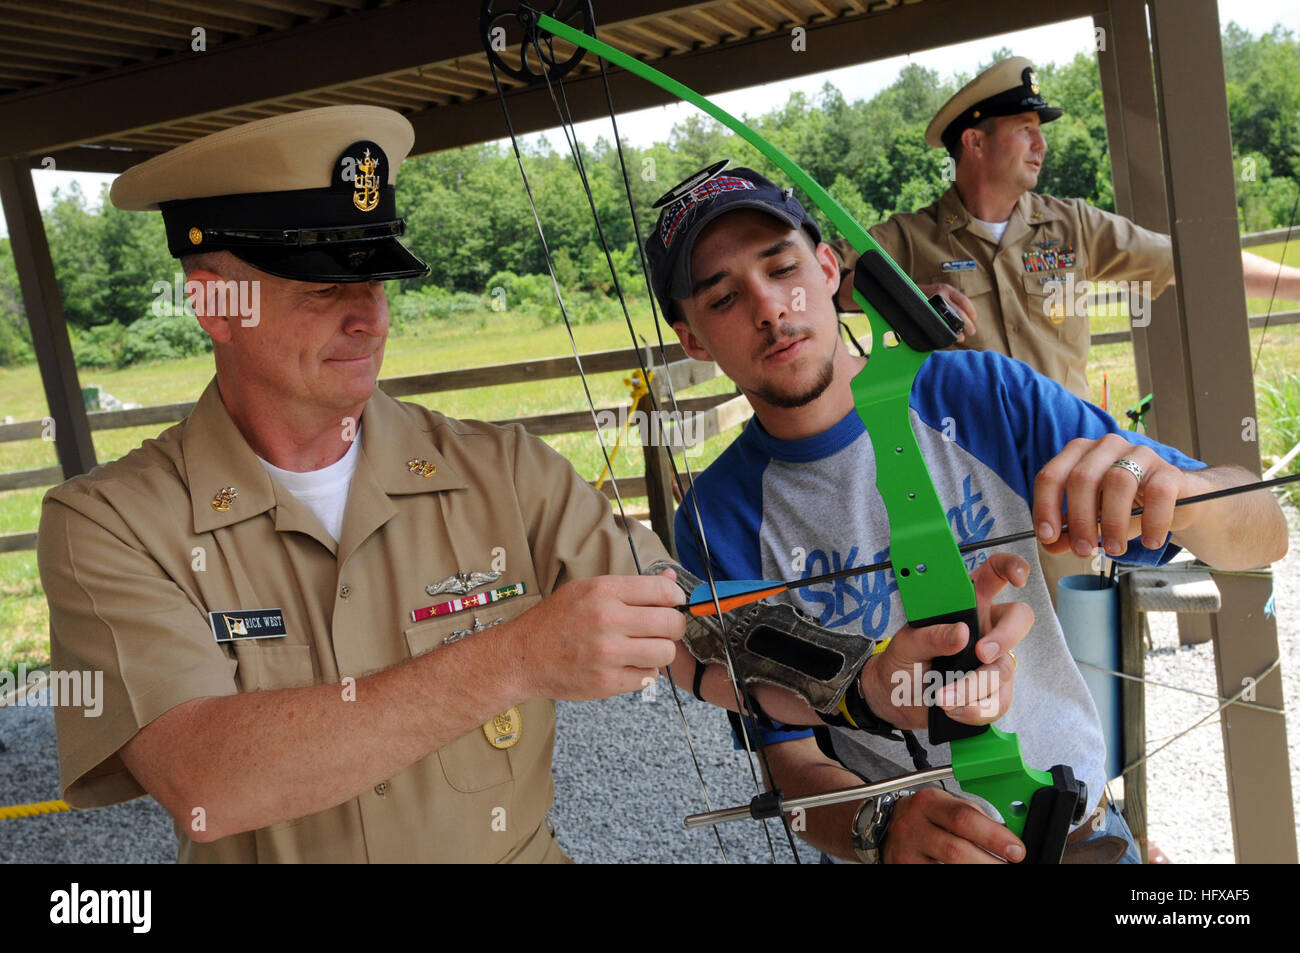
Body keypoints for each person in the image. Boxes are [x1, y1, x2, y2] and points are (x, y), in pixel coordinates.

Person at [38, 107, 1019, 864]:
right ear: (215, 301)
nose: (368, 318)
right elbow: (210, 775)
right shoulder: (111, 520)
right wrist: (510, 657)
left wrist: (864, 679)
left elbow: (693, 622)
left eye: (375, 279)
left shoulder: (498, 468)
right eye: (321, 286)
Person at [647, 163, 1288, 863]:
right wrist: (880, 828)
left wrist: (1184, 498)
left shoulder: (982, 393)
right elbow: (787, 767)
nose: (769, 307)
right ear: (693, 341)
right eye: (724, 298)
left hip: (1078, 831)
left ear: (830, 267)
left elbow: (1264, 532)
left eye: (782, 266)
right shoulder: (717, 513)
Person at [829, 56, 1300, 604]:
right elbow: (814, 280)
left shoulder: (1071, 225)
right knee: (978, 629)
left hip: (1072, 466)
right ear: (976, 143)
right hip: (963, 484)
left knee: (1086, 633)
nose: (1042, 144)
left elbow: (1190, 261)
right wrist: (898, 296)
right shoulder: (908, 241)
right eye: (1025, 130)